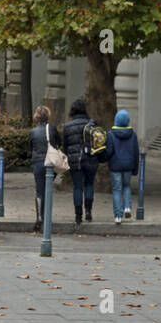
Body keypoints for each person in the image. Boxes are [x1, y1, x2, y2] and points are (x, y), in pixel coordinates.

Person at [63, 97, 101, 227]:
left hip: (75, 161)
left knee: (77, 187)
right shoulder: (92, 124)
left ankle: (78, 215)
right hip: (91, 159)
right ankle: (89, 211)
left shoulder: (67, 127)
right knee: (89, 184)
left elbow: (65, 146)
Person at [28, 104, 62, 232]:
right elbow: (59, 143)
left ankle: (39, 216)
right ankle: (46, 215)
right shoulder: (52, 129)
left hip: (37, 162)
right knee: (48, 189)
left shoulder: (33, 132)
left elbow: (30, 147)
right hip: (50, 162)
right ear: (47, 116)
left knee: (39, 190)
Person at [105, 108, 140, 222]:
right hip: (128, 165)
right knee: (127, 186)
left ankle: (118, 216)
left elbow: (109, 151)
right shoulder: (133, 135)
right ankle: (127, 207)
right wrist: (135, 168)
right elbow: (136, 153)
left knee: (116, 189)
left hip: (115, 165)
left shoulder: (111, 134)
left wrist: (104, 159)